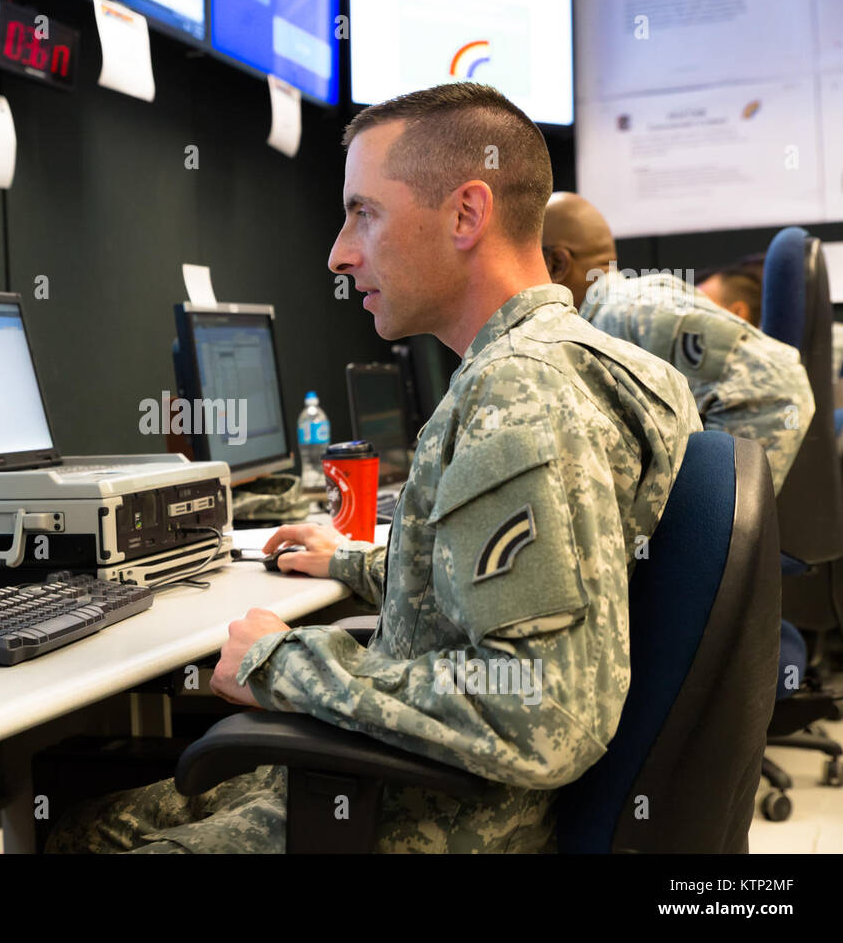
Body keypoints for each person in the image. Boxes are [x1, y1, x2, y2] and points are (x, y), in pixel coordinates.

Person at [46, 82, 700, 854]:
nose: (339, 252)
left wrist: (279, 662)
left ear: (466, 214)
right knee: (87, 816)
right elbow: (534, 584)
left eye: (365, 213)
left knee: (71, 830)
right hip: (437, 786)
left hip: (430, 815)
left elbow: (540, 710)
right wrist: (360, 562)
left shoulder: (516, 393)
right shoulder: (606, 365)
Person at [542, 193, 812, 493]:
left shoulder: (629, 310)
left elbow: (778, 380)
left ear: (556, 263)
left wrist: (707, 510)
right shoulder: (605, 319)